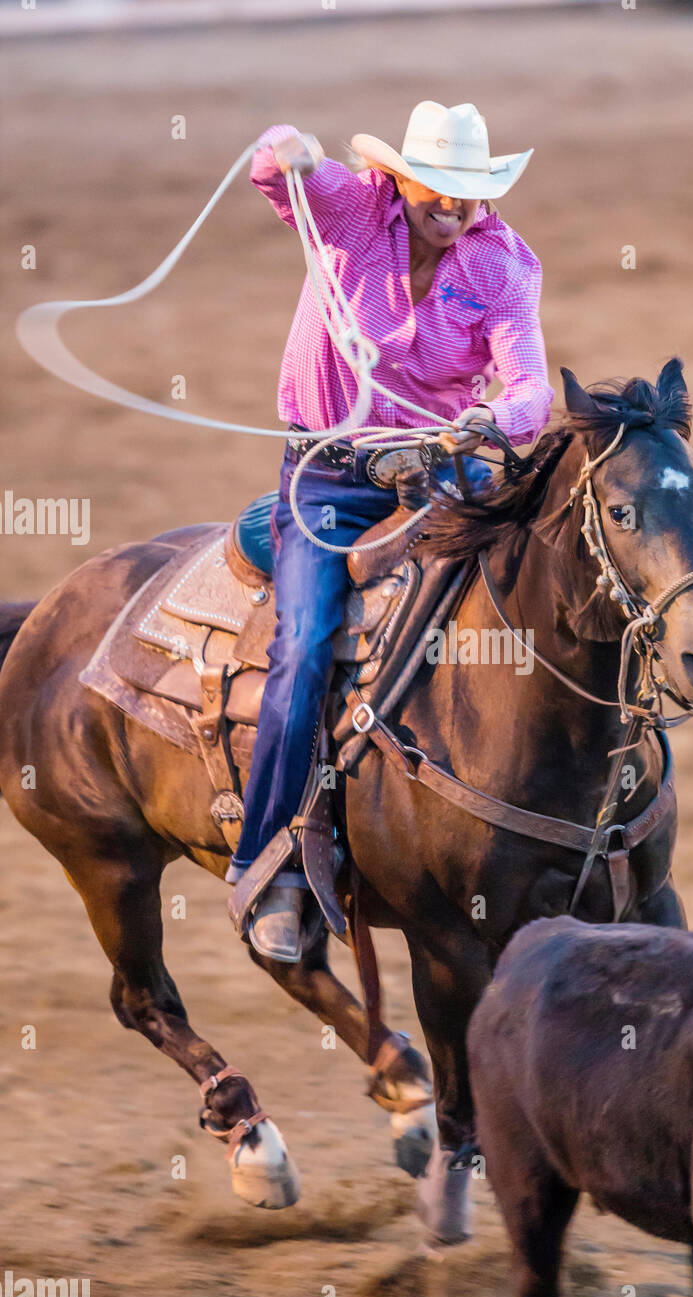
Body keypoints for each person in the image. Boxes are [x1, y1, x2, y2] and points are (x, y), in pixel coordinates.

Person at [228, 101, 553, 962]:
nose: (450, 209)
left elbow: (531, 389)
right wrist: (285, 148)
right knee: (303, 645)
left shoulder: (504, 266)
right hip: (329, 475)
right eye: (435, 191)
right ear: (401, 179)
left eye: (466, 196)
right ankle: (270, 863)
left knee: (533, 592)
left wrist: (487, 417)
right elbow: (277, 172)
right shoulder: (351, 210)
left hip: (437, 471)